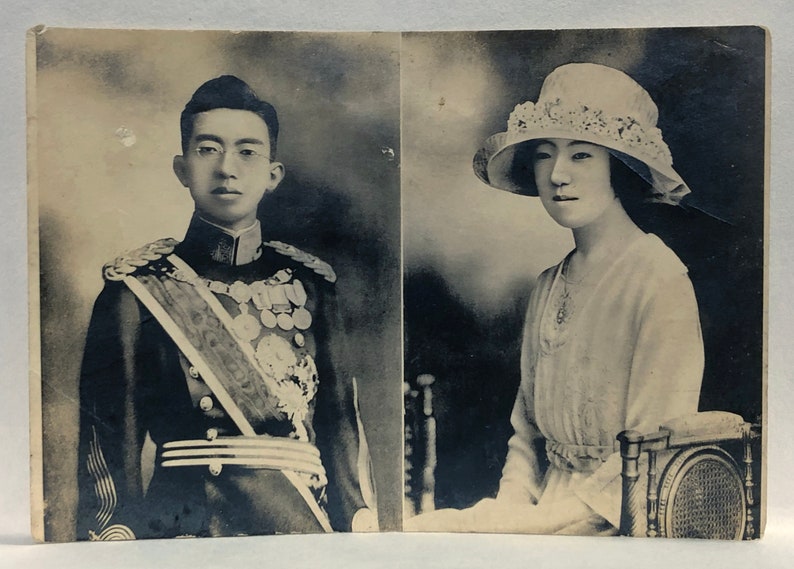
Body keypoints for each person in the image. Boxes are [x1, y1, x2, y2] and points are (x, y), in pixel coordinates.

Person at [406, 63, 704, 535]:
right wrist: (506, 515)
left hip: (619, 523)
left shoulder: (658, 279)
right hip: (543, 516)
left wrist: (523, 530)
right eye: (545, 156)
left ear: (618, 167)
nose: (558, 176)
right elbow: (526, 438)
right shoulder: (549, 285)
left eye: (581, 155)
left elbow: (651, 461)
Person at [77, 75, 378, 540]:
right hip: (187, 534)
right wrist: (114, 539)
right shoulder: (136, 291)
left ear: (273, 175)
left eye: (247, 151)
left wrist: (359, 532)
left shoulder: (314, 288)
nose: (227, 168)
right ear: (181, 169)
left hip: (299, 534)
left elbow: (342, 436)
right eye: (207, 149)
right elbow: (109, 454)